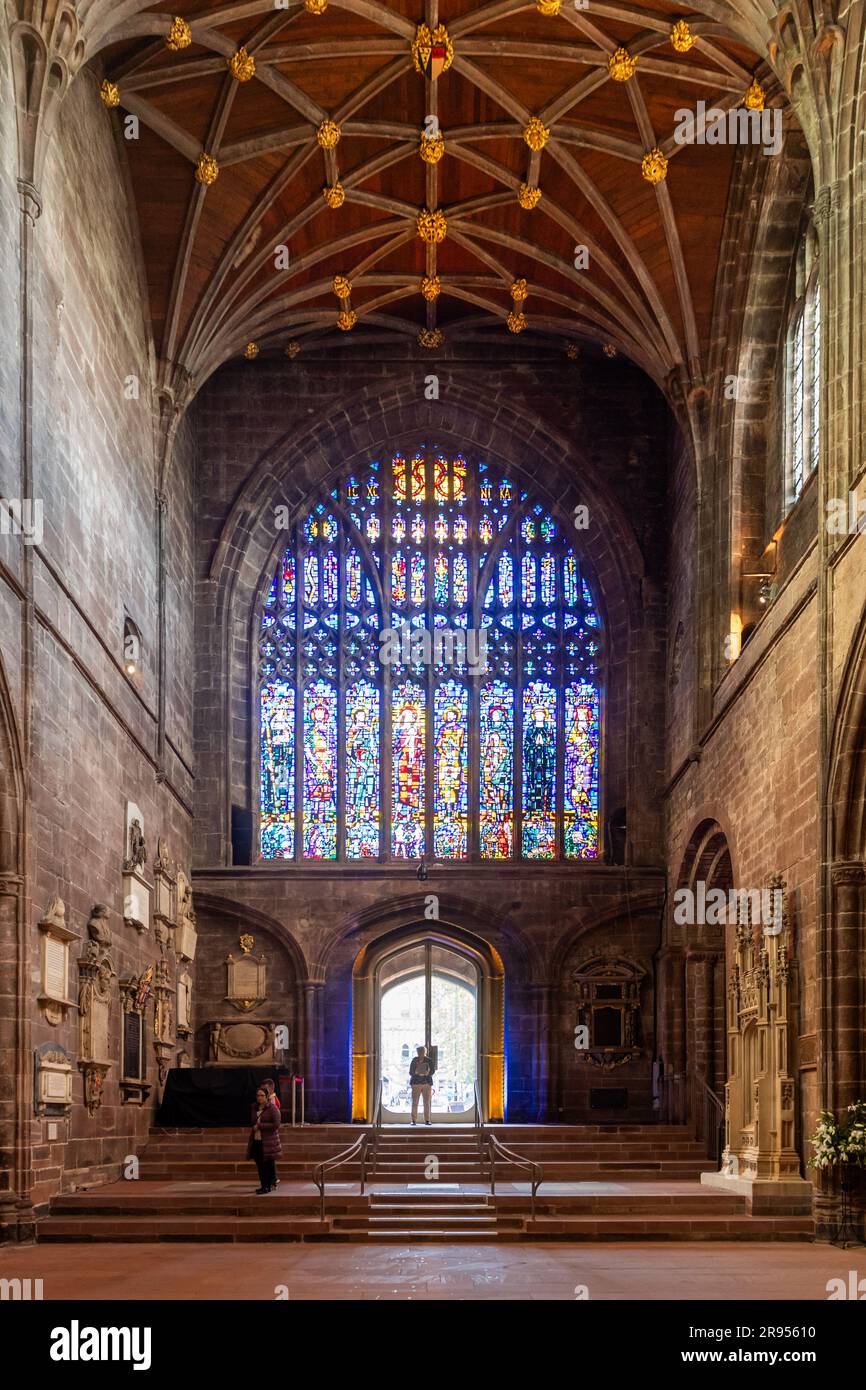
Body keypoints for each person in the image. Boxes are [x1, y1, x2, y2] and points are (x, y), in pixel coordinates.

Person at [247, 1085, 281, 1194]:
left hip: (268, 1141)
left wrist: (261, 1126)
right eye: (258, 1095)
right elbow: (252, 1121)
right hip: (256, 1140)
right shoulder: (254, 1107)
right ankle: (264, 1185)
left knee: (266, 1165)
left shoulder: (272, 1108)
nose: (259, 1098)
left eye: (262, 1095)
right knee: (260, 1165)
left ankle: (267, 1186)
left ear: (266, 1097)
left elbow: (276, 1124)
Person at [409, 1045, 435, 1125]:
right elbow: (410, 1072)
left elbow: (432, 1071)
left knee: (427, 1102)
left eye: (422, 1051)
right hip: (416, 1083)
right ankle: (413, 1120)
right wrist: (416, 1072)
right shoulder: (414, 1060)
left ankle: (427, 1120)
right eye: (419, 1052)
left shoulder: (429, 1060)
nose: (420, 1053)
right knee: (414, 1102)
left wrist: (427, 1073)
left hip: (426, 1083)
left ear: (425, 1052)